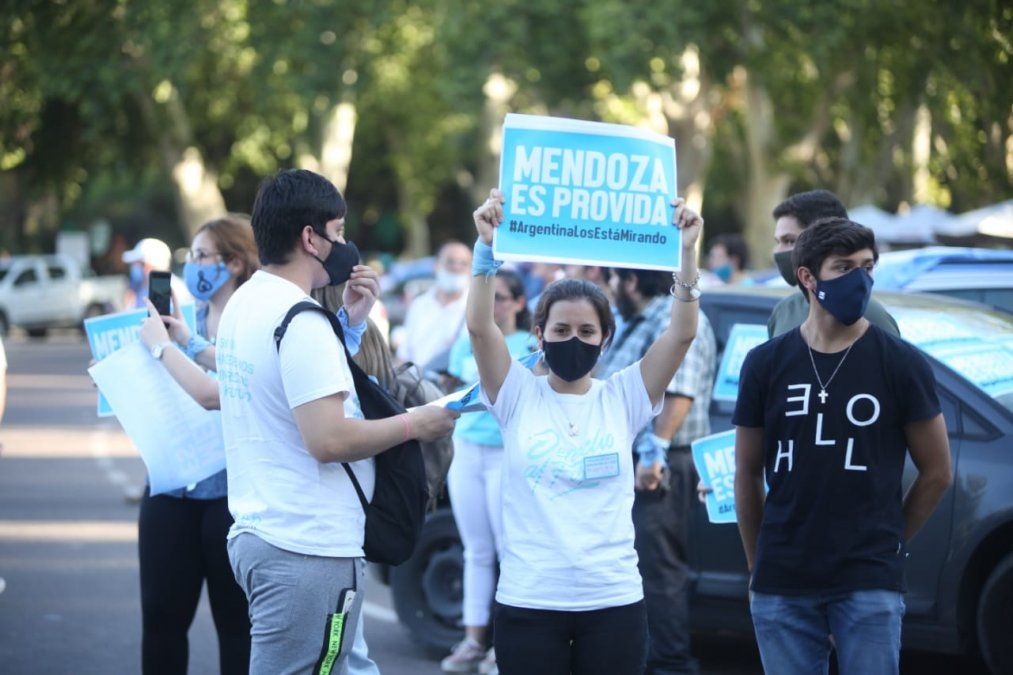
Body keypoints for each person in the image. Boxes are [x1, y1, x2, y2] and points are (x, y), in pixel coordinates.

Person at [215, 168, 458, 675]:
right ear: (311, 238)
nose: (346, 245)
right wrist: (417, 423)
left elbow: (287, 394)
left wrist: (348, 325)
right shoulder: (298, 319)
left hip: (270, 534)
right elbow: (328, 438)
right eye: (340, 232)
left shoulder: (248, 303)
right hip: (307, 549)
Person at [467, 188, 702, 675]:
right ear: (539, 335)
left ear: (605, 339)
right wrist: (486, 249)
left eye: (587, 332)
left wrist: (688, 251)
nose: (573, 341)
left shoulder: (624, 396)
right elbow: (480, 328)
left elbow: (681, 334)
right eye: (560, 331)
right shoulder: (514, 395)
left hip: (613, 604)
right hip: (528, 603)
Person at [733, 218, 953, 675]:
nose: (861, 278)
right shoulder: (765, 363)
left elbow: (937, 472)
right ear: (807, 277)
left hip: (867, 579)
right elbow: (747, 472)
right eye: (844, 266)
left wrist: (889, 547)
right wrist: (759, 568)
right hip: (782, 581)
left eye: (868, 266)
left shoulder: (900, 361)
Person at [134, 216, 257, 674]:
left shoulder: (254, 322)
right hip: (171, 489)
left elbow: (214, 395)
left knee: (237, 628)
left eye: (202, 257)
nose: (193, 267)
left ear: (235, 262)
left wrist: (171, 348)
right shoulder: (182, 320)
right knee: (162, 621)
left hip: (232, 498)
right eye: (192, 256)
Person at [596, 267, 717, 675]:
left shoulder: (672, 318)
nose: (610, 290)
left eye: (613, 280)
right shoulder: (636, 321)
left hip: (662, 461)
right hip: (628, 460)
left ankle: (670, 664)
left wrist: (654, 455)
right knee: (633, 566)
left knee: (658, 569)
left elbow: (678, 392)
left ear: (630, 281)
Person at [440, 269, 533, 675]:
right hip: (467, 450)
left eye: (502, 298)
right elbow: (458, 387)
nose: (494, 305)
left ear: (518, 303)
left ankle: (505, 645)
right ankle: (474, 639)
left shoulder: (529, 345)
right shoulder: (467, 341)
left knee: (508, 549)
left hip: (505, 453)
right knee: (476, 550)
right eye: (489, 297)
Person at [768, 190, 899, 338]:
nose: (778, 251)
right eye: (778, 242)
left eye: (790, 241)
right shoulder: (783, 313)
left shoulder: (874, 318)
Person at [396, 241, 473, 371]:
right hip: (417, 385)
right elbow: (404, 355)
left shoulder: (476, 309)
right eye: (450, 261)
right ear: (436, 265)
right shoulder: (419, 305)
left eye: (463, 263)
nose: (456, 267)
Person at [123, 237, 192, 310]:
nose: (135, 268)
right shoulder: (140, 289)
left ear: (151, 265)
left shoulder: (176, 290)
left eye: (140, 263)